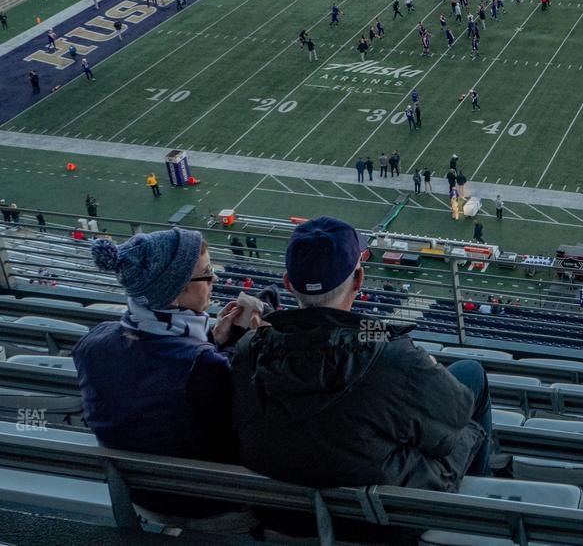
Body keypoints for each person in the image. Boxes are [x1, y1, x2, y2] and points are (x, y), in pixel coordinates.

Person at [229, 217, 491, 502]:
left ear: (288, 283)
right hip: (378, 516)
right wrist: (421, 363)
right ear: (359, 279)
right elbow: (455, 415)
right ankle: (484, 494)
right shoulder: (391, 357)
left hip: (285, 510)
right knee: (470, 374)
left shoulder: (246, 350)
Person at [74, 228, 256, 523]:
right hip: (203, 501)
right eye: (206, 274)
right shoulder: (204, 368)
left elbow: (154, 369)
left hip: (134, 493)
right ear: (173, 293)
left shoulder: (93, 343)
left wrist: (211, 341)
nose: (215, 280)